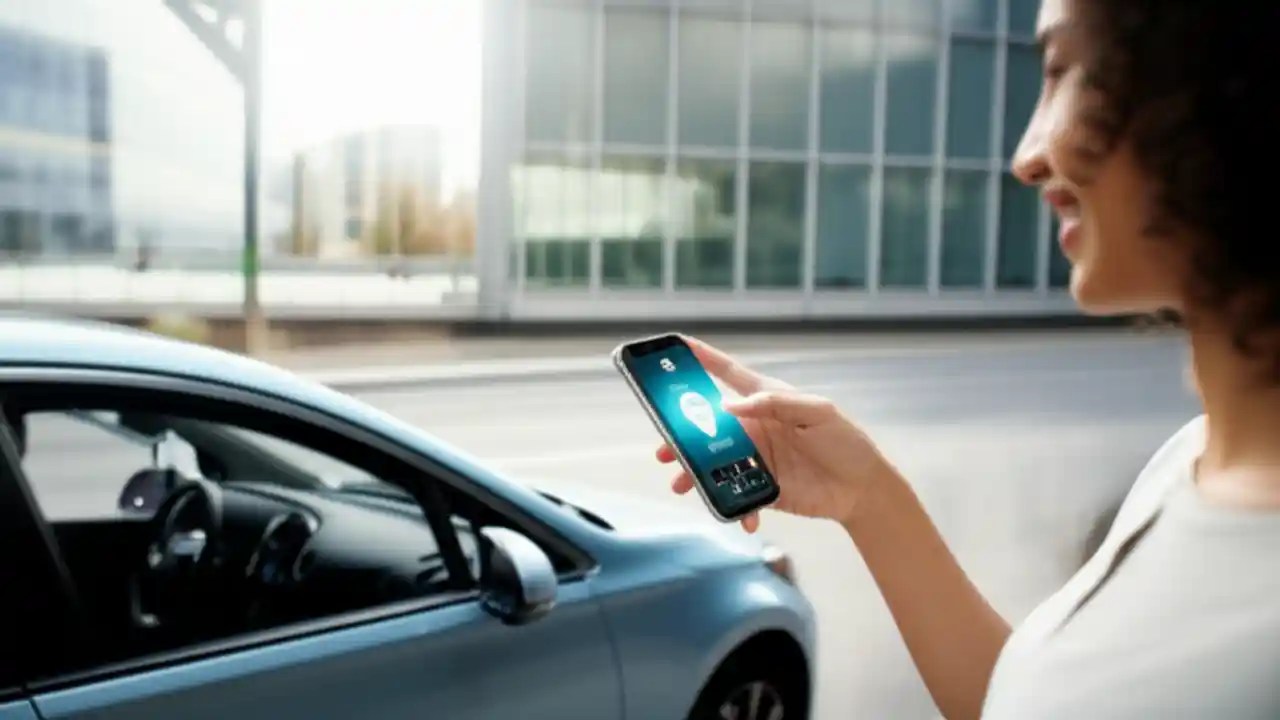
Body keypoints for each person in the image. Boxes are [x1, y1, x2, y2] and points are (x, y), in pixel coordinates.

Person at [658, 1, 1280, 717]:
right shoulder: (1190, 458)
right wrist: (869, 499)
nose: (1027, 158)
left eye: (1061, 70)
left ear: (1215, 86)